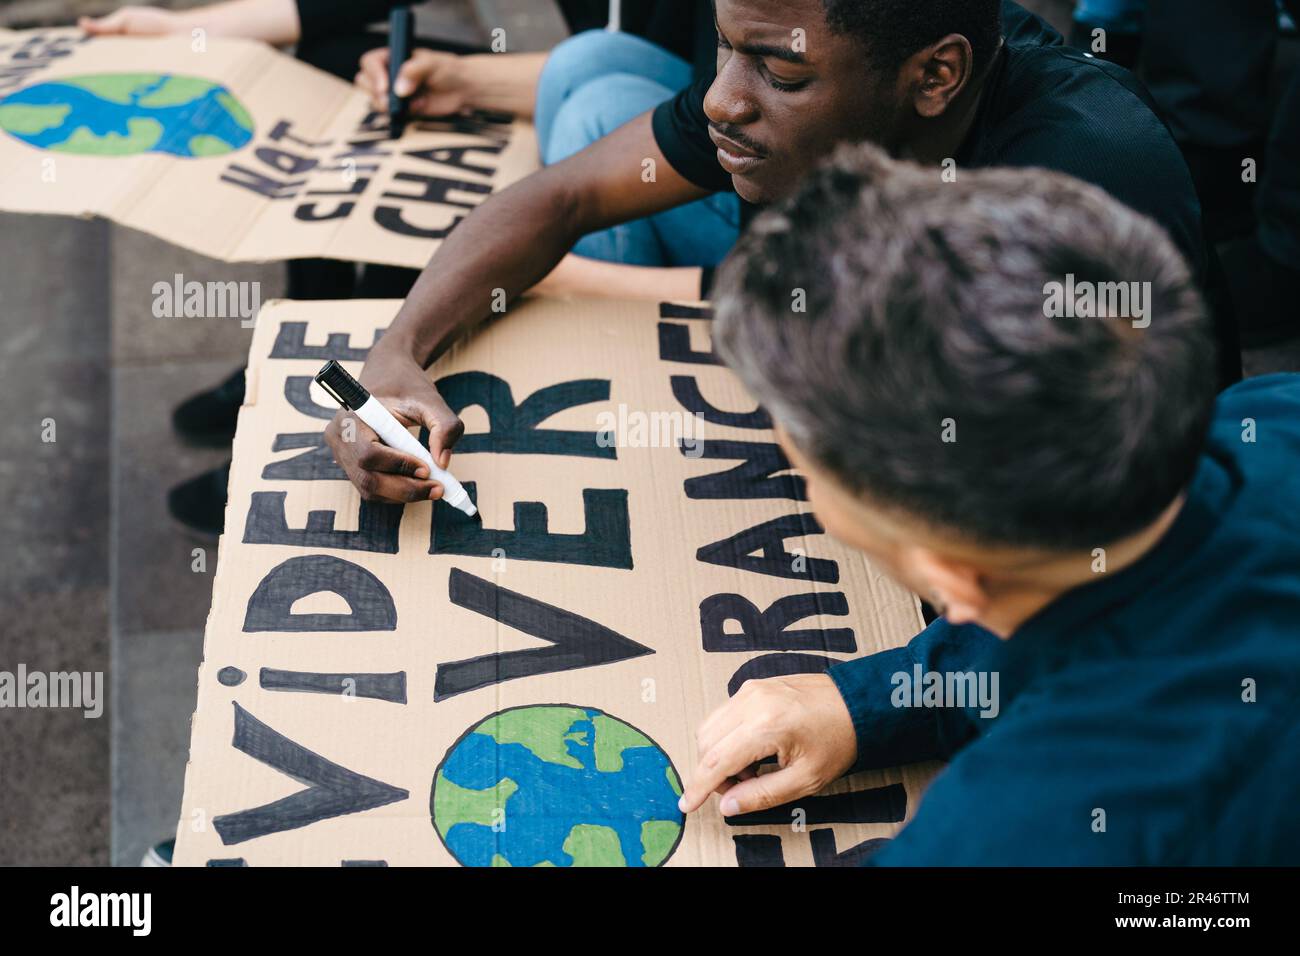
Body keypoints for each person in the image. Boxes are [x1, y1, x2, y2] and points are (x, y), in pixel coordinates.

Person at [325, 0, 1234, 507]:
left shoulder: (1082, 181)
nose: (722, 99)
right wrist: (396, 357)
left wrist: (859, 710)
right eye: (724, 48)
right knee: (595, 88)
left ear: (936, 77)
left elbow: (1098, 535)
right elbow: (565, 194)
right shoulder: (798, 66)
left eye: (780, 75)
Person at [675, 143, 1300, 865]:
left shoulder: (1024, 831)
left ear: (953, 580)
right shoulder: (1271, 410)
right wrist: (867, 702)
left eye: (809, 469)